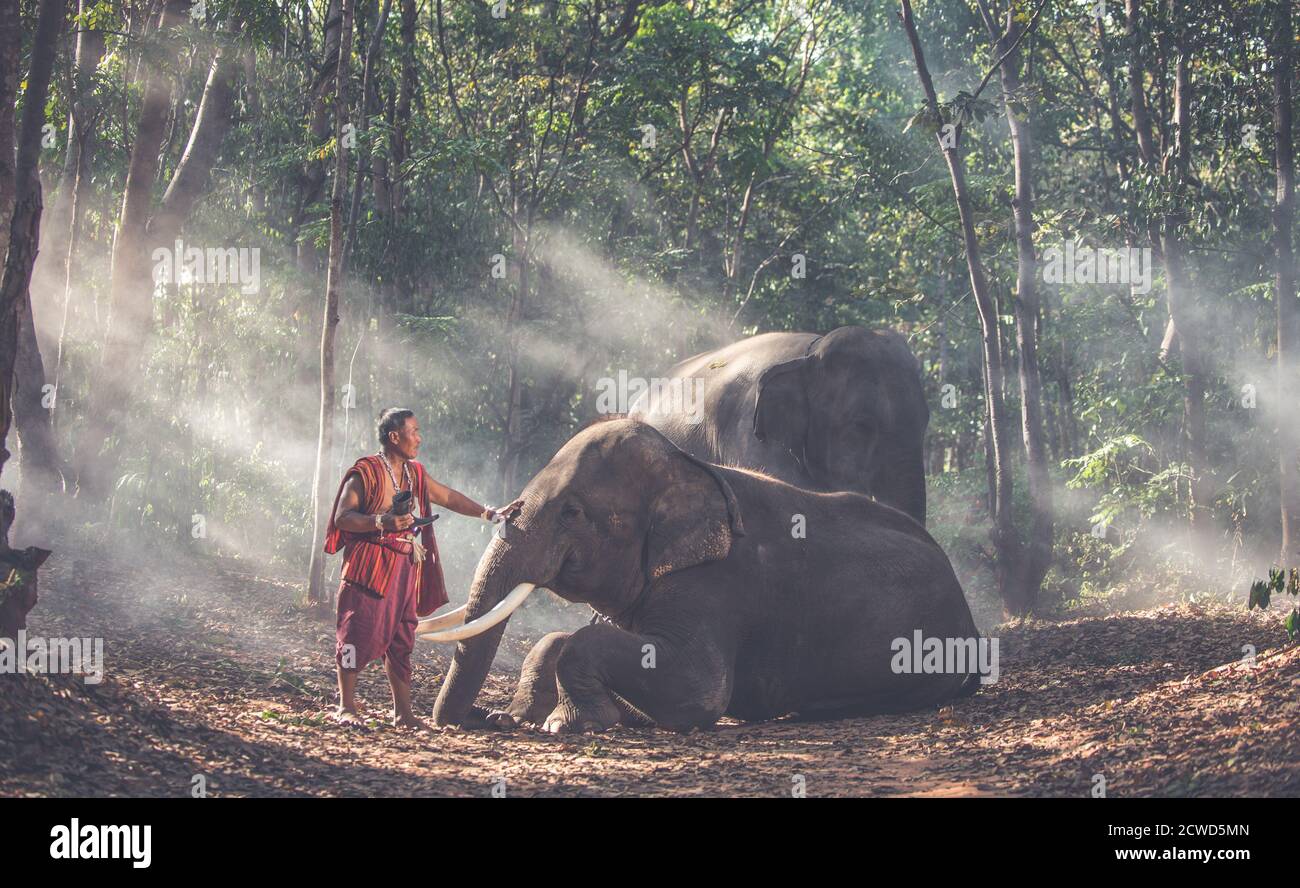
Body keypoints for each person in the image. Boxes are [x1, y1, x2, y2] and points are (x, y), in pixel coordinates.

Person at [323, 408, 522, 729]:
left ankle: (403, 713)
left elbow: (446, 496)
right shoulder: (366, 471)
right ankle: (346, 706)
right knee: (354, 634)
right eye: (413, 431)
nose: (419, 437)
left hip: (404, 568)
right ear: (394, 437)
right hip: (368, 568)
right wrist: (380, 521)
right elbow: (342, 518)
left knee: (402, 639)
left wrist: (490, 514)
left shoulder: (414, 474)